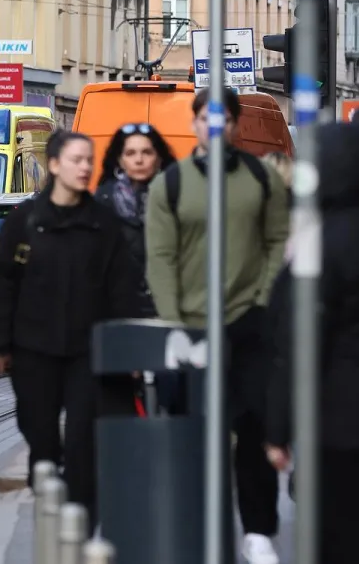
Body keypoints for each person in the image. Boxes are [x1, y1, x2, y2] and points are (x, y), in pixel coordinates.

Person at [144, 87, 290, 564]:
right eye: (207, 117)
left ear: (234, 125)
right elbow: (161, 258)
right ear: (195, 124)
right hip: (191, 325)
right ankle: (198, 527)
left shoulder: (261, 178)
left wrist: (264, 300)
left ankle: (259, 532)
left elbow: (276, 242)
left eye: (223, 118)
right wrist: (173, 322)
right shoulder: (171, 184)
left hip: (249, 322)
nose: (215, 126)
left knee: (253, 430)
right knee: (195, 433)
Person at [265, 123, 359, 564]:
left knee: (333, 536)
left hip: (330, 416)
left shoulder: (321, 240)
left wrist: (277, 426)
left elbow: (299, 338)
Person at [0, 129, 143, 529]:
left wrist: (128, 349)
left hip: (88, 353)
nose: (85, 167)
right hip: (34, 351)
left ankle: (83, 529)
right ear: (54, 165)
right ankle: (50, 510)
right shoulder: (26, 221)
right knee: (42, 438)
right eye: (76, 160)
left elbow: (122, 288)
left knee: (84, 443)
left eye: (89, 160)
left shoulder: (103, 223)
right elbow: (0, 281)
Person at [94, 123, 177, 318]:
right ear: (120, 160)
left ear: (159, 158)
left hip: (168, 306)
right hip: (119, 308)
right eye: (130, 153)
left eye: (146, 152)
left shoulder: (177, 194)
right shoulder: (104, 199)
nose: (139, 160)